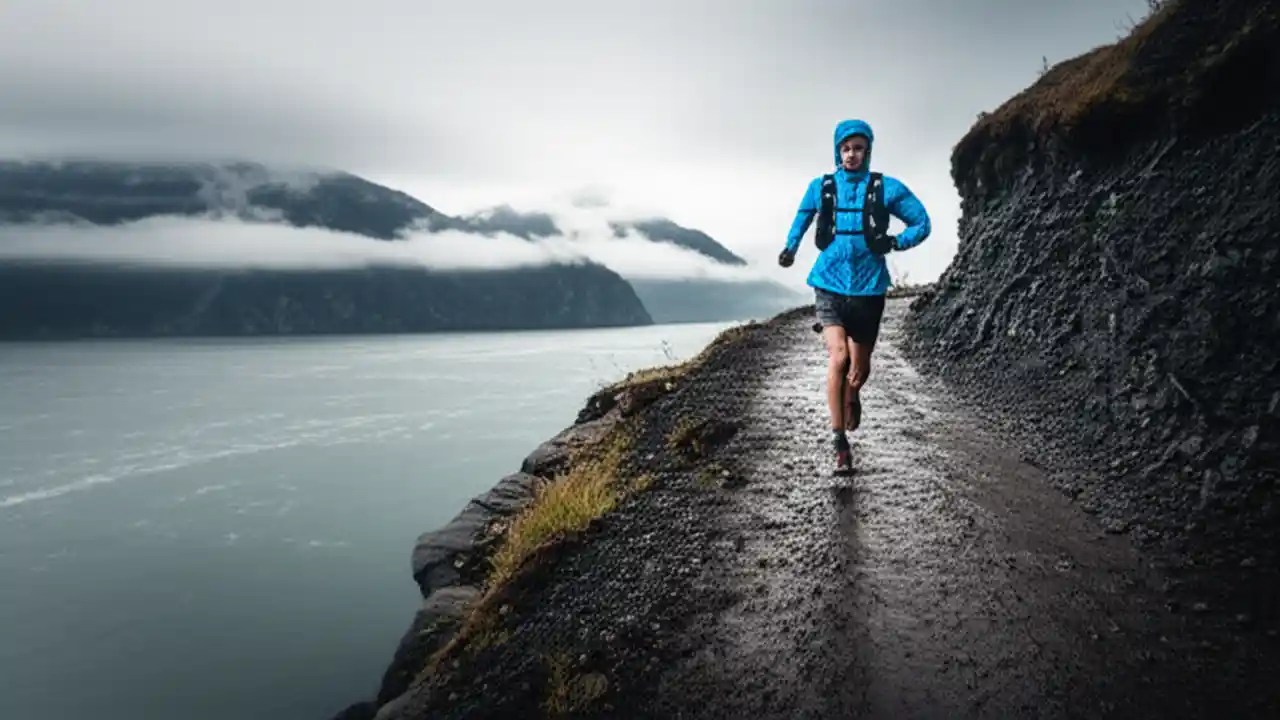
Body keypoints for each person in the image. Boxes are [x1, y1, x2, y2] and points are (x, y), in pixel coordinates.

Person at [777, 118, 931, 473]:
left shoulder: (886, 188)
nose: (851, 154)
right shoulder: (821, 187)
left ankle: (853, 393)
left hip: (869, 287)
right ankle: (839, 444)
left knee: (858, 369)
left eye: (858, 148)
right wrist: (789, 249)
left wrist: (894, 242)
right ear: (837, 151)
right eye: (846, 148)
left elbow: (922, 223)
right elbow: (802, 218)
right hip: (828, 282)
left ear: (868, 150)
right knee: (837, 357)